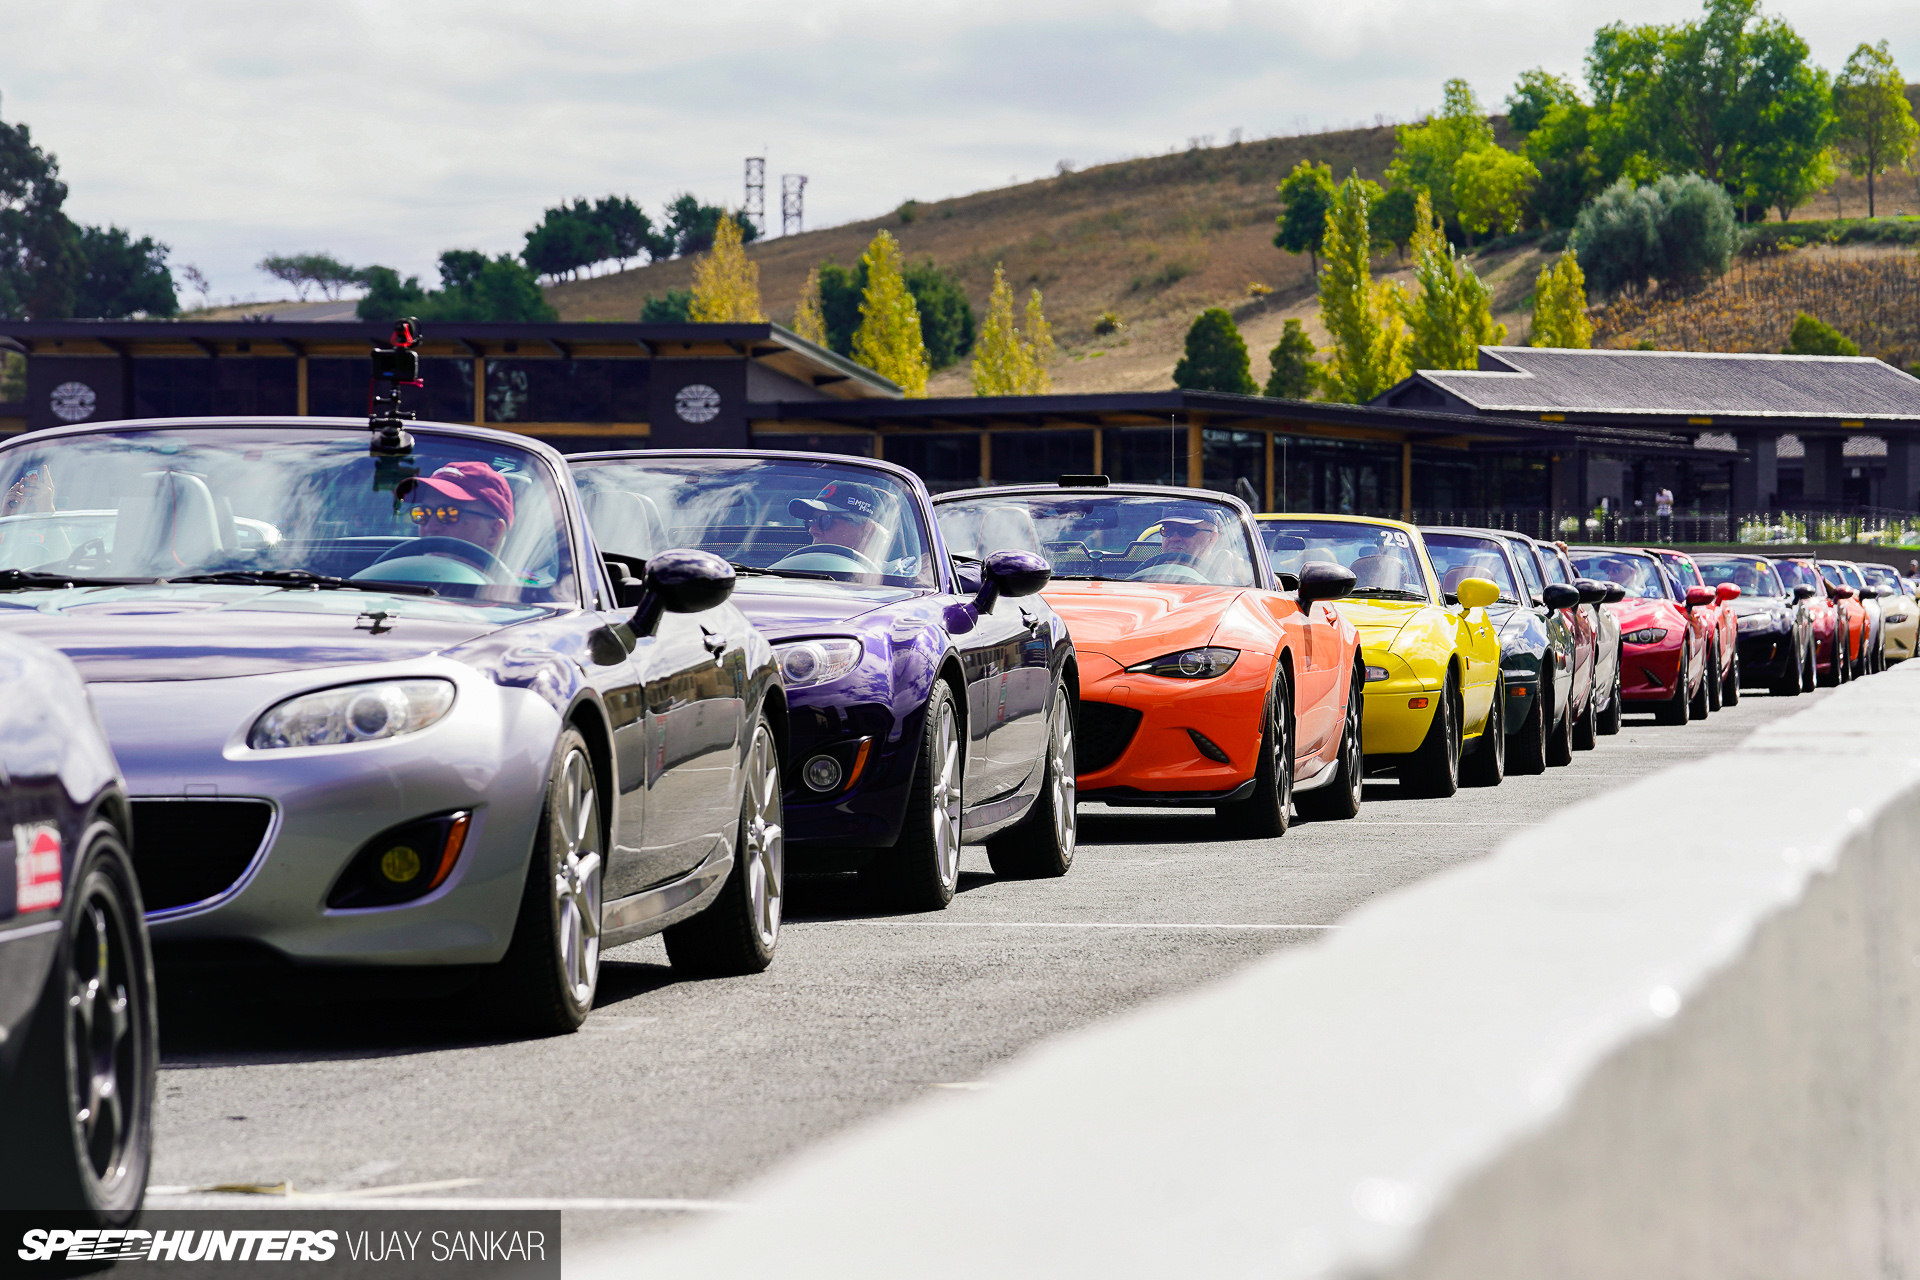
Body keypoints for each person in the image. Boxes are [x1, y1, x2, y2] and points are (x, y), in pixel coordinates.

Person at [397, 461, 515, 556]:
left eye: (448, 513)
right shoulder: (397, 575)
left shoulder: (521, 581)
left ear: (494, 532)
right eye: (422, 514)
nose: (430, 527)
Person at [785, 481, 886, 568]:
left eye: (825, 520)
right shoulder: (798, 575)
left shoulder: (892, 580)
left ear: (868, 531)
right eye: (811, 521)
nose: (812, 530)